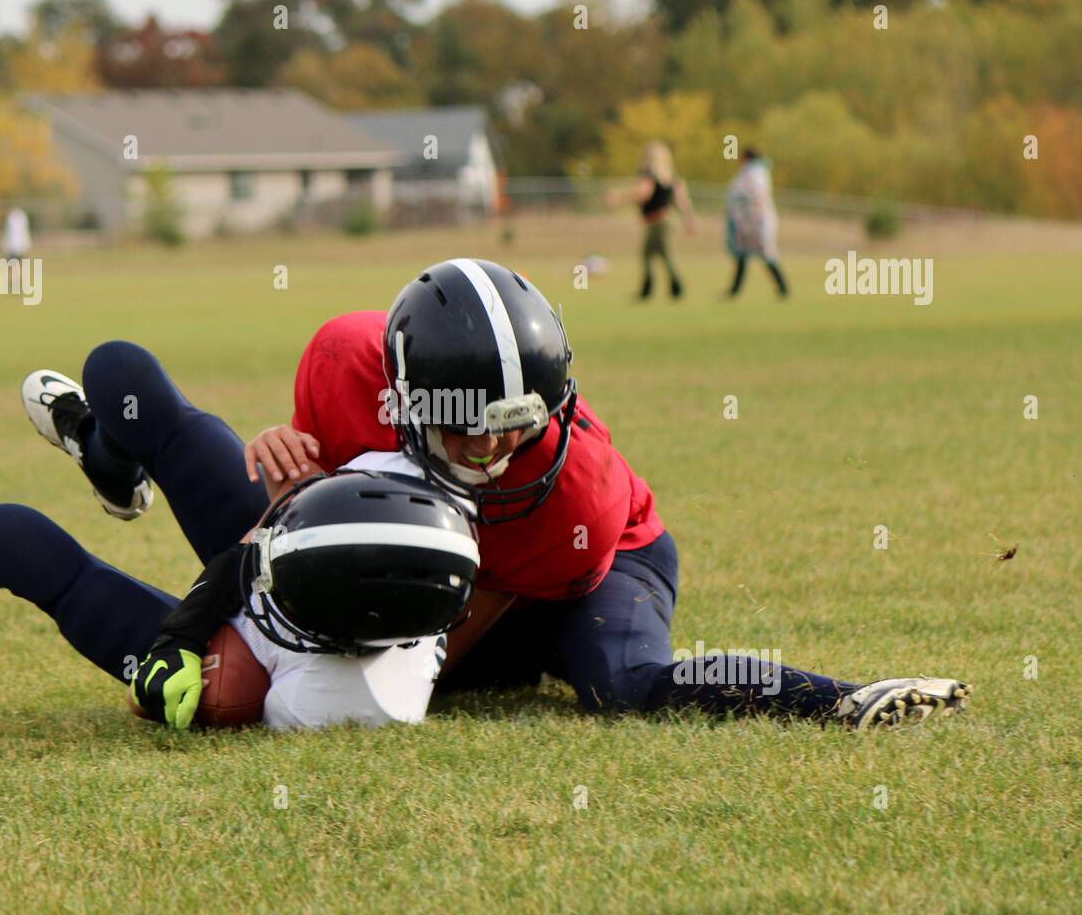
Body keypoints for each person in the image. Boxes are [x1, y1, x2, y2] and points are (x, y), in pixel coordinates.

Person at [240, 259, 970, 729]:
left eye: (512, 426)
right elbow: (336, 517)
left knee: (623, 683)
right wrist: (286, 487)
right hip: (471, 558)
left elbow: (444, 650)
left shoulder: (574, 491)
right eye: (463, 425)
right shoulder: (343, 363)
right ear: (399, 393)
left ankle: (840, 698)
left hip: (598, 564)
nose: (489, 447)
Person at [0, 346, 480, 732]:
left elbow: (200, 693)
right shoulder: (411, 485)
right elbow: (253, 545)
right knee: (120, 374)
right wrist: (285, 490)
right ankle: (109, 461)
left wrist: (175, 658)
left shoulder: (354, 698)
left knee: (6, 541)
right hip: (284, 534)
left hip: (256, 634)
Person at [629, 141, 696, 299]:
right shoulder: (671, 176)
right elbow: (682, 200)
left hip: (657, 221)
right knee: (662, 255)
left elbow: (644, 194)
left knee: (652, 255)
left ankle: (660, 288)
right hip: (665, 220)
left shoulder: (649, 175)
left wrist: (619, 198)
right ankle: (672, 288)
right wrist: (689, 219)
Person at [724, 148, 789, 297]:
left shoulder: (755, 173)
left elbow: (756, 195)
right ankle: (734, 290)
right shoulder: (751, 172)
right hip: (747, 221)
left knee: (766, 253)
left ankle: (783, 287)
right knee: (742, 255)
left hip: (756, 221)